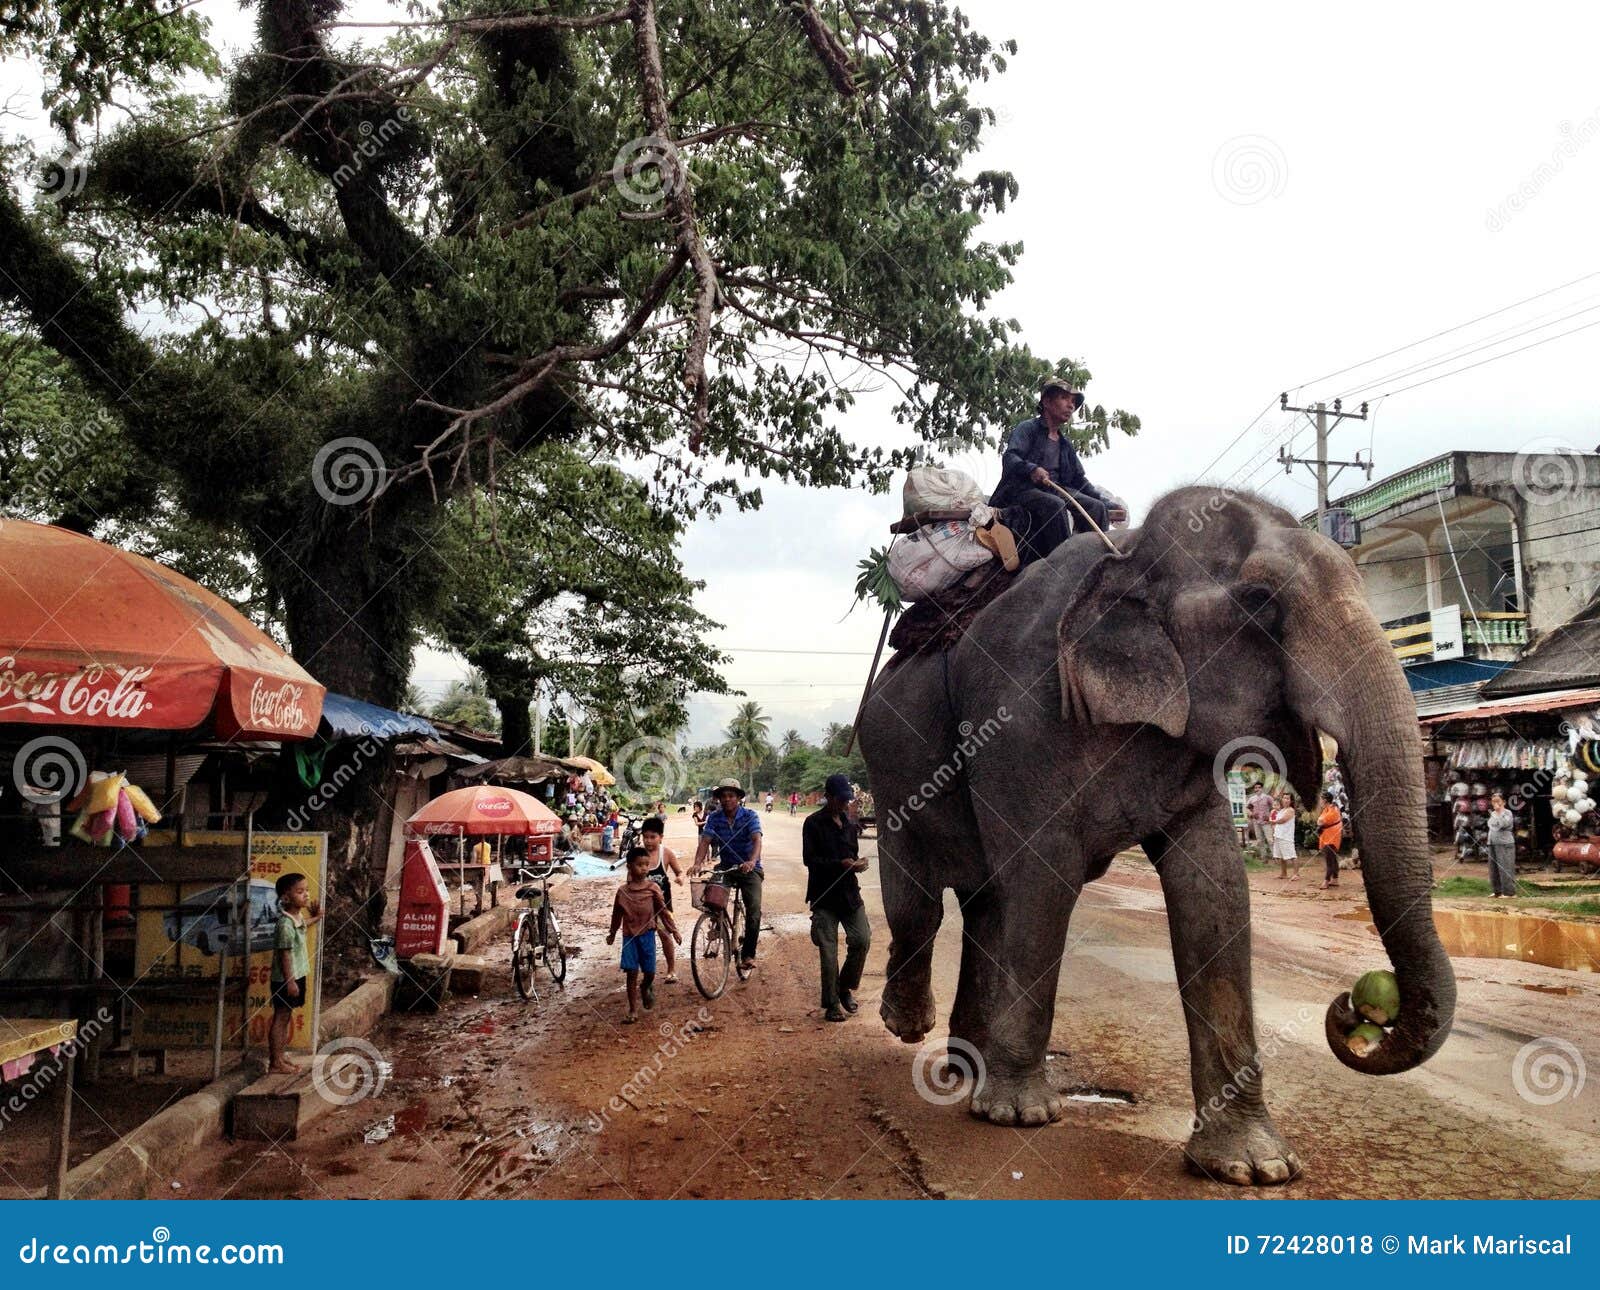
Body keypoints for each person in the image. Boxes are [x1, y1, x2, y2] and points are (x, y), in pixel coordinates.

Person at [988, 378, 1127, 563]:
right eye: (1064, 398)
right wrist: (1032, 469)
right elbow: (1010, 457)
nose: (1071, 406)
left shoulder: (1064, 445)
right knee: (1055, 506)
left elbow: (1080, 481)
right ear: (1046, 402)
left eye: (1073, 402)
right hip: (1020, 490)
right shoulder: (1027, 429)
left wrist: (1106, 503)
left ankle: (1096, 563)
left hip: (1053, 489)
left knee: (1096, 507)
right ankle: (1062, 565)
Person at [803, 774, 872, 1022]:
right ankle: (832, 1004)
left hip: (849, 894)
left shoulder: (850, 824)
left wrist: (856, 865)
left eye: (847, 800)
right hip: (823, 896)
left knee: (862, 939)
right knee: (829, 953)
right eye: (841, 799)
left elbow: (850, 855)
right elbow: (809, 860)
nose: (845, 804)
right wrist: (839, 864)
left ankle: (844, 987)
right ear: (829, 797)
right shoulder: (812, 823)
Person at [694, 777, 764, 971]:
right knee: (712, 896)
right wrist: (697, 863)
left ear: (739, 798)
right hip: (727, 866)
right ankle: (716, 923)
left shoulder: (750, 816)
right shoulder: (715, 817)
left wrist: (751, 861)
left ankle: (748, 954)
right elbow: (705, 841)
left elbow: (757, 840)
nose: (727, 799)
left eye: (731, 795)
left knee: (754, 911)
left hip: (750, 868)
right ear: (718, 799)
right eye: (723, 796)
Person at [607, 846, 681, 1022]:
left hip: (647, 934)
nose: (644, 868)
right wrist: (612, 933)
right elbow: (616, 915)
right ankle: (632, 1010)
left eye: (646, 865)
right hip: (629, 937)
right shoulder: (622, 892)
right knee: (631, 972)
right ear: (629, 867)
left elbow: (663, 911)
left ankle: (645, 986)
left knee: (650, 972)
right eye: (639, 864)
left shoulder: (653, 888)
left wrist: (673, 930)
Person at [269, 872, 322, 1074]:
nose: (306, 895)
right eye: (300, 892)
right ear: (286, 897)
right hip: (285, 978)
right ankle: (275, 1062)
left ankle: (280, 1057)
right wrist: (290, 982)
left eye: (306, 890)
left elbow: (302, 926)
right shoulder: (284, 924)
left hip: (295, 975)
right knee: (281, 1017)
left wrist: (316, 917)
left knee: (286, 1016)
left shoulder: (295, 918)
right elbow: (285, 955)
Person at [640, 816, 686, 982]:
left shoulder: (665, 853)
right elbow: (630, 878)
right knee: (645, 939)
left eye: (653, 837)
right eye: (645, 837)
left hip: (663, 905)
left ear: (661, 837)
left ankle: (671, 969)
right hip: (643, 906)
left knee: (665, 935)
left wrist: (680, 878)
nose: (649, 841)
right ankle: (648, 972)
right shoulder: (638, 854)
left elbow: (679, 872)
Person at [1487, 794, 1516, 898]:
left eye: (1498, 801)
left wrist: (1499, 812)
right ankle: (1497, 891)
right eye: (1493, 801)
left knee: (1505, 867)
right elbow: (1491, 826)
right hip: (1492, 842)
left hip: (1504, 843)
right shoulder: (1493, 813)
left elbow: (1503, 824)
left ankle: (1509, 893)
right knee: (1493, 868)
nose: (1495, 803)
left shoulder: (1507, 813)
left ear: (1504, 802)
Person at [1270, 791, 1299, 882]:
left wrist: (1273, 821)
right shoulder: (1281, 810)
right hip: (1279, 835)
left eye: (1288, 798)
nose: (1285, 800)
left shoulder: (1291, 810)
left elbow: (1283, 820)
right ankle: (1284, 873)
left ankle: (1296, 874)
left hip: (1286, 836)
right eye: (1284, 798)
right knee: (1281, 856)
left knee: (1292, 855)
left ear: (1291, 801)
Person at [1316, 791, 1343, 890]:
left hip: (1332, 837)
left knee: (1329, 860)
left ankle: (1326, 881)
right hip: (1328, 836)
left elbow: (1321, 820)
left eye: (1321, 798)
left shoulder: (1333, 809)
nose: (1319, 801)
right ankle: (1335, 879)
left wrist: (1320, 822)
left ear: (1325, 800)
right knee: (1333, 858)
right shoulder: (1327, 809)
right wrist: (1320, 822)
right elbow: (1319, 820)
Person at [1245, 781, 1273, 859]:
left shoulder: (1267, 798)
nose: (1257, 789)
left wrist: (1270, 816)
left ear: (1262, 788)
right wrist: (1251, 814)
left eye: (1259, 787)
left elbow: (1274, 807)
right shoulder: (1252, 799)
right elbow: (1247, 808)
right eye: (1255, 788)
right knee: (1260, 841)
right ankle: (1264, 857)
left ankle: (1275, 857)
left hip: (1266, 822)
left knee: (1270, 839)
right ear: (1254, 789)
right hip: (1256, 822)